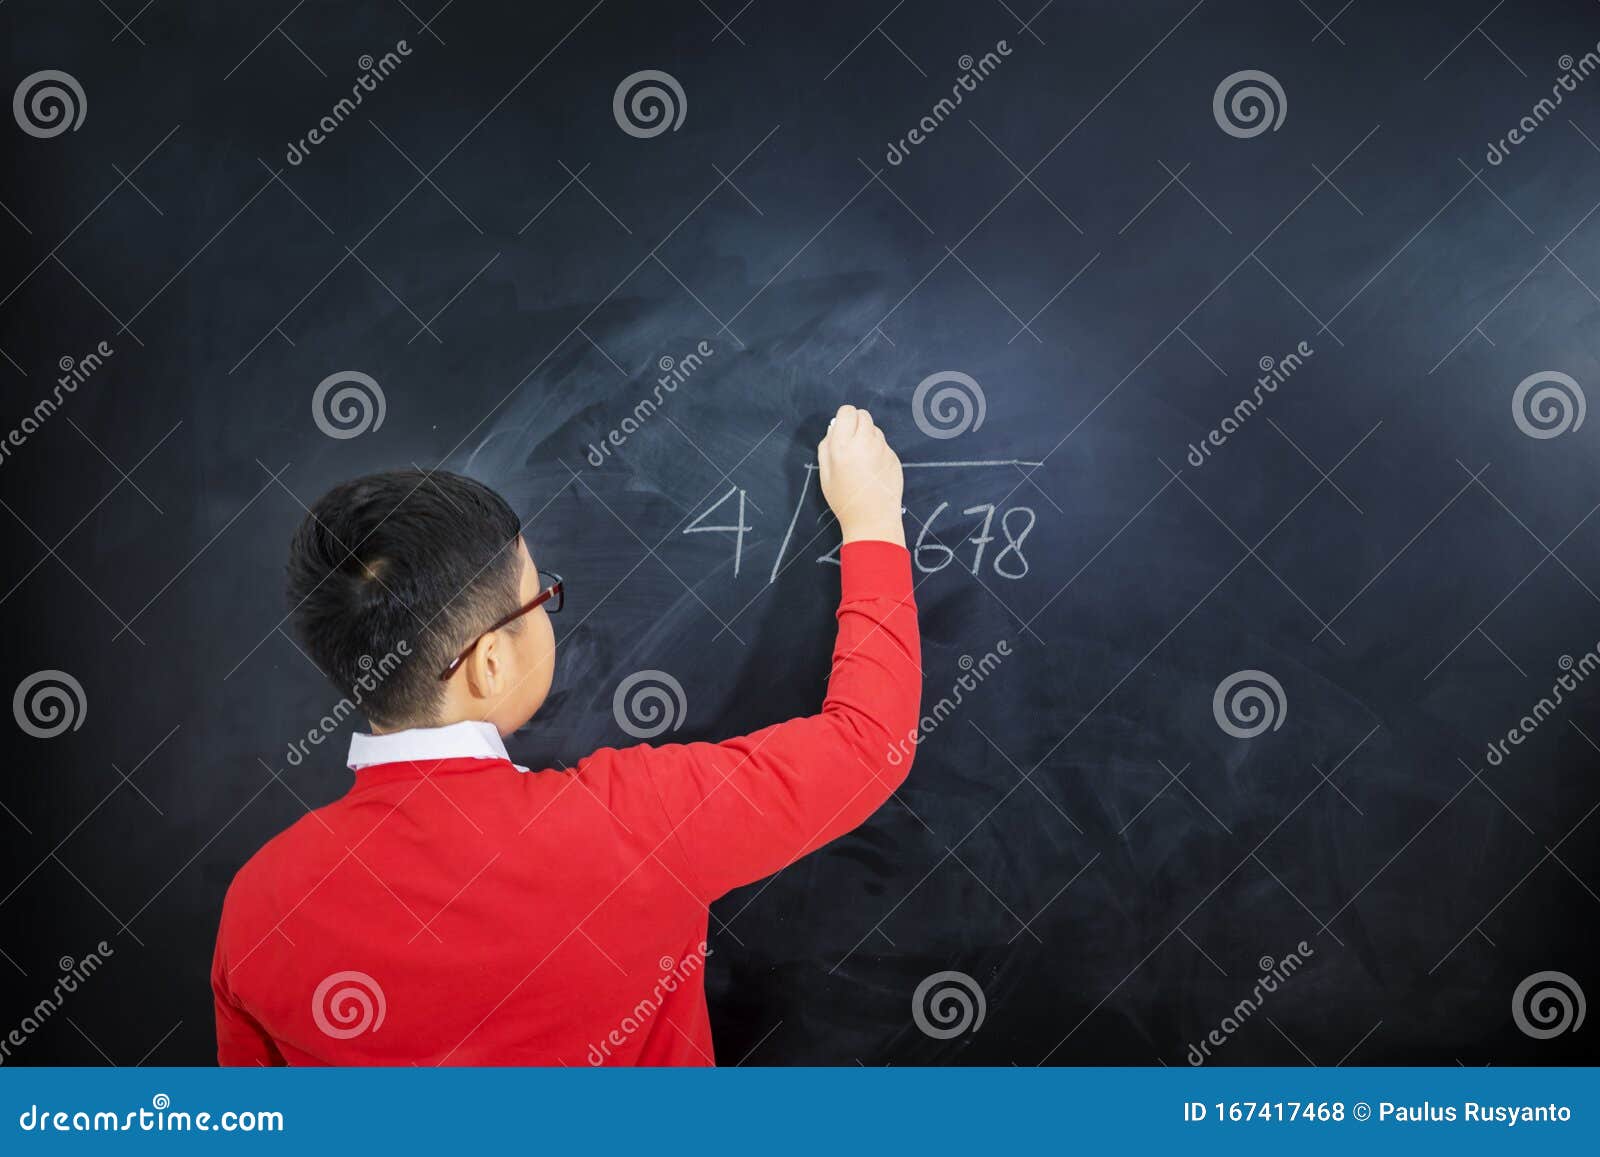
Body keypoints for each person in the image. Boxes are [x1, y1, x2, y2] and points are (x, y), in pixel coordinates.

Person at [211, 405, 921, 1065]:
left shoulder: (261, 906)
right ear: (489, 663)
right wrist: (871, 520)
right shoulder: (634, 821)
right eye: (540, 594)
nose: (551, 610)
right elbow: (867, 743)